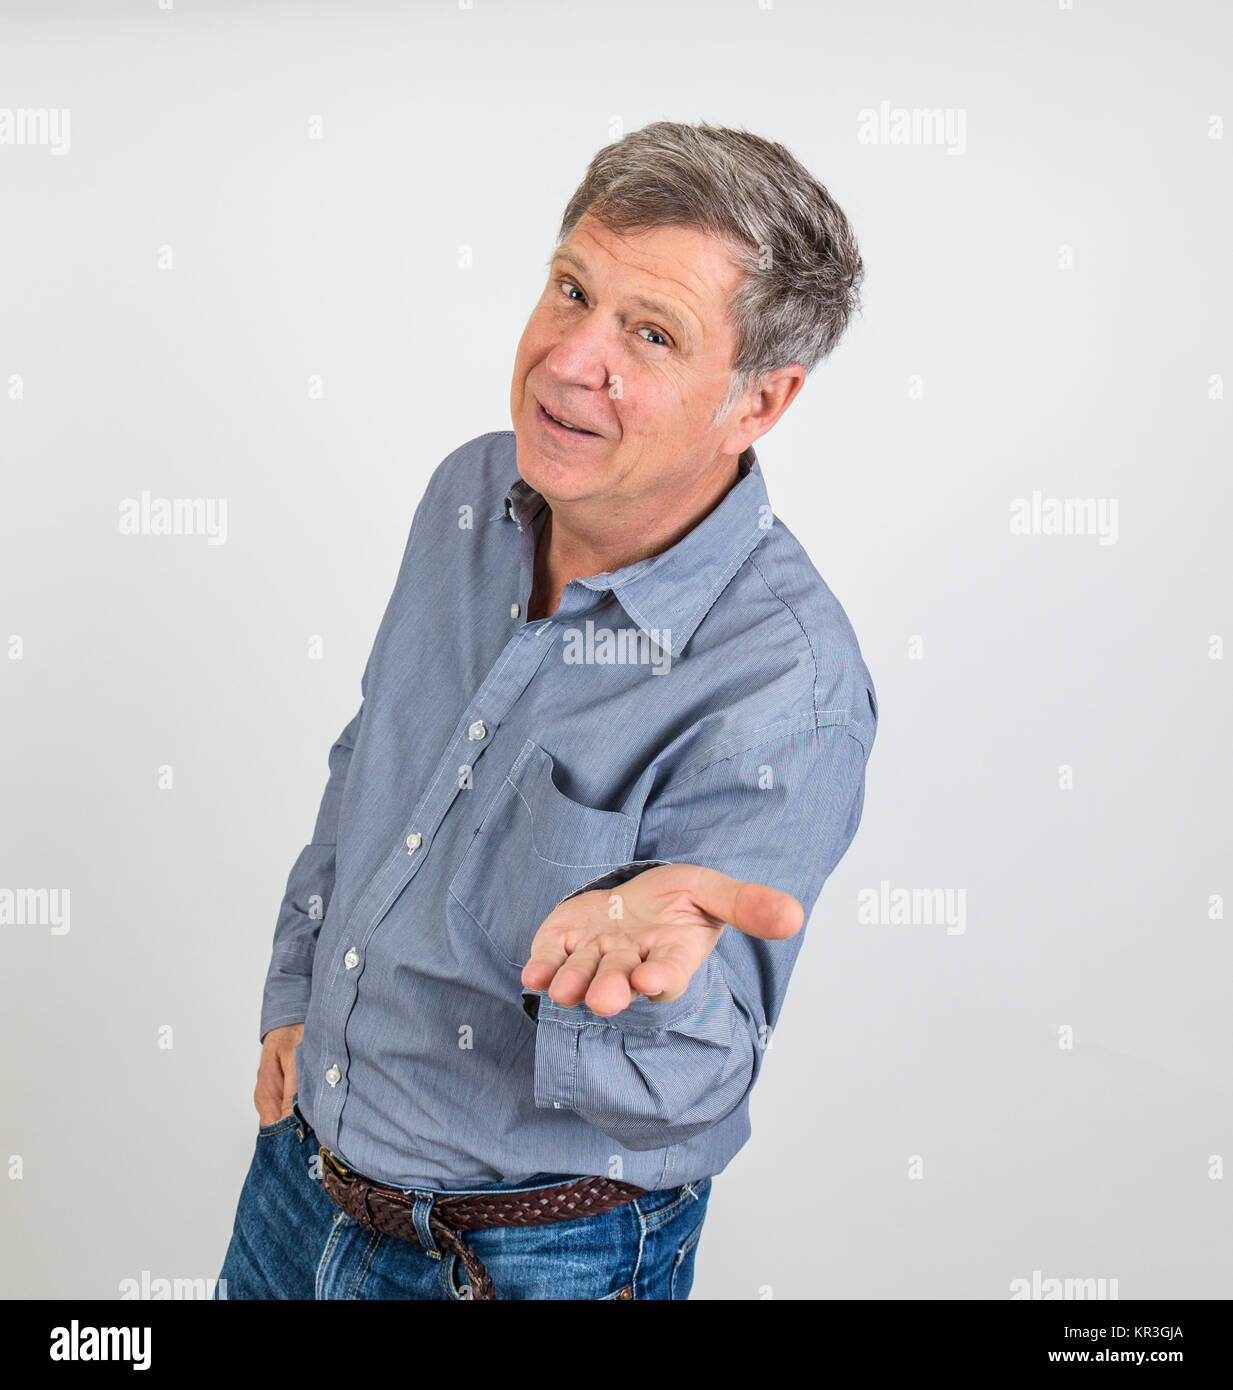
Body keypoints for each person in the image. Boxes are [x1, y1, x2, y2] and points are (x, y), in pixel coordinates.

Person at [217, 120, 878, 1301]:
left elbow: (703, 1079)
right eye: (571, 289)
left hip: (527, 1261)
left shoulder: (787, 681)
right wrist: (298, 987)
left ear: (759, 401)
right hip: (297, 1182)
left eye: (652, 332)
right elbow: (371, 763)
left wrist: (628, 985)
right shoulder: (470, 493)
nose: (571, 360)